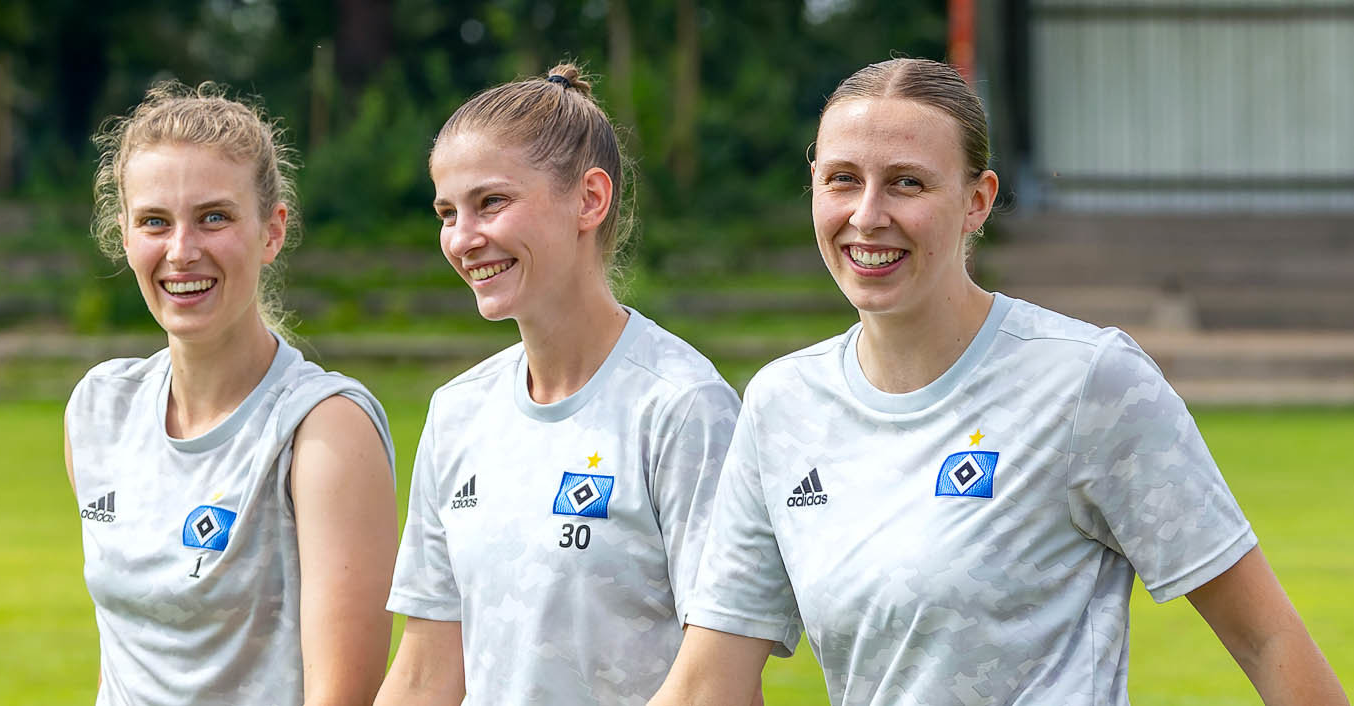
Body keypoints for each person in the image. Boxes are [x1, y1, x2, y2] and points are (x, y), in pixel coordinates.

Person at [650, 58, 1347, 705]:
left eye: (906, 182)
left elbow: (1265, 639)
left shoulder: (1086, 381)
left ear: (976, 201)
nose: (866, 215)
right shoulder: (782, 403)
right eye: (841, 179)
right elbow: (709, 680)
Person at [375, 63, 745, 706]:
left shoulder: (683, 407)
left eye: (491, 202)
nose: (463, 238)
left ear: (590, 199)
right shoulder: (457, 411)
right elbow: (427, 668)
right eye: (446, 212)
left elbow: (716, 679)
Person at [65, 81, 397, 705]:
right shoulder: (97, 410)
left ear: (272, 232)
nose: (182, 251)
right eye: (155, 222)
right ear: (125, 236)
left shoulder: (323, 429)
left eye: (213, 217)